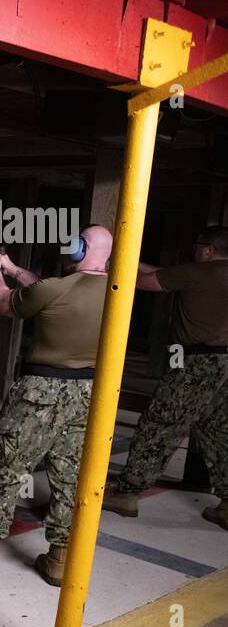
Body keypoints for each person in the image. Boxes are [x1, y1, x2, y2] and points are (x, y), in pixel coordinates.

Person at [0, 225, 113, 587]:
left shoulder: (55, 288)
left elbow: (3, 304)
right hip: (89, 393)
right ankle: (59, 560)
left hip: (40, 389)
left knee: (7, 462)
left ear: (79, 248)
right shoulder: (118, 291)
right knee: (70, 474)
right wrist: (13, 266)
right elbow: (46, 292)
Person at [104, 225, 228, 529]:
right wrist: (126, 256)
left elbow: (143, 282)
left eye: (198, 245)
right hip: (224, 364)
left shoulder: (199, 273)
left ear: (209, 249)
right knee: (218, 431)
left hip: (193, 363)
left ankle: (128, 492)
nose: (194, 250)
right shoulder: (206, 273)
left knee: (160, 425)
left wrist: (105, 265)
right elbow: (168, 272)